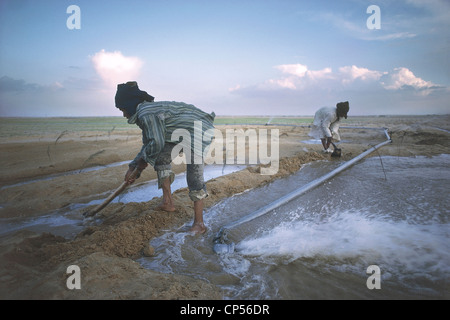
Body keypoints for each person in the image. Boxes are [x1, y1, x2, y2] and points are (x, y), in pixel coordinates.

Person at [115, 81, 215, 234]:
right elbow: (149, 144)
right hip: (182, 132)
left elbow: (156, 142)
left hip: (198, 130)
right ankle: (168, 202)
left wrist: (140, 166)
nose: (123, 114)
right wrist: (133, 166)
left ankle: (199, 224)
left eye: (122, 109)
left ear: (129, 105)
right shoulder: (145, 113)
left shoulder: (145, 113)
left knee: (194, 175)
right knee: (161, 158)